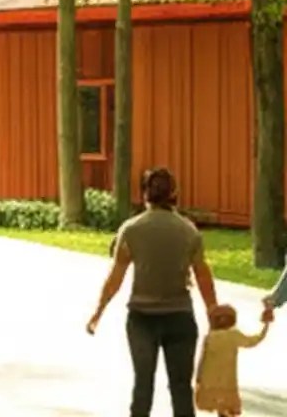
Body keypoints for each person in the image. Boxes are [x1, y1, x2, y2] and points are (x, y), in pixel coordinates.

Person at [86, 167, 219, 417]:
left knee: (142, 386)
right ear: (174, 194)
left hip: (142, 319)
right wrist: (213, 310)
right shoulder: (189, 230)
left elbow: (116, 277)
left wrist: (98, 312)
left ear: (145, 193)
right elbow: (202, 275)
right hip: (180, 317)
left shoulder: (131, 229)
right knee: (181, 388)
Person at [195, 304, 272, 416]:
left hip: (209, 380)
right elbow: (254, 341)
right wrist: (266, 326)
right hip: (227, 381)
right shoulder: (234, 335)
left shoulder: (210, 336)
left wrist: (198, 377)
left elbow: (203, 359)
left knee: (219, 406)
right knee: (227, 408)